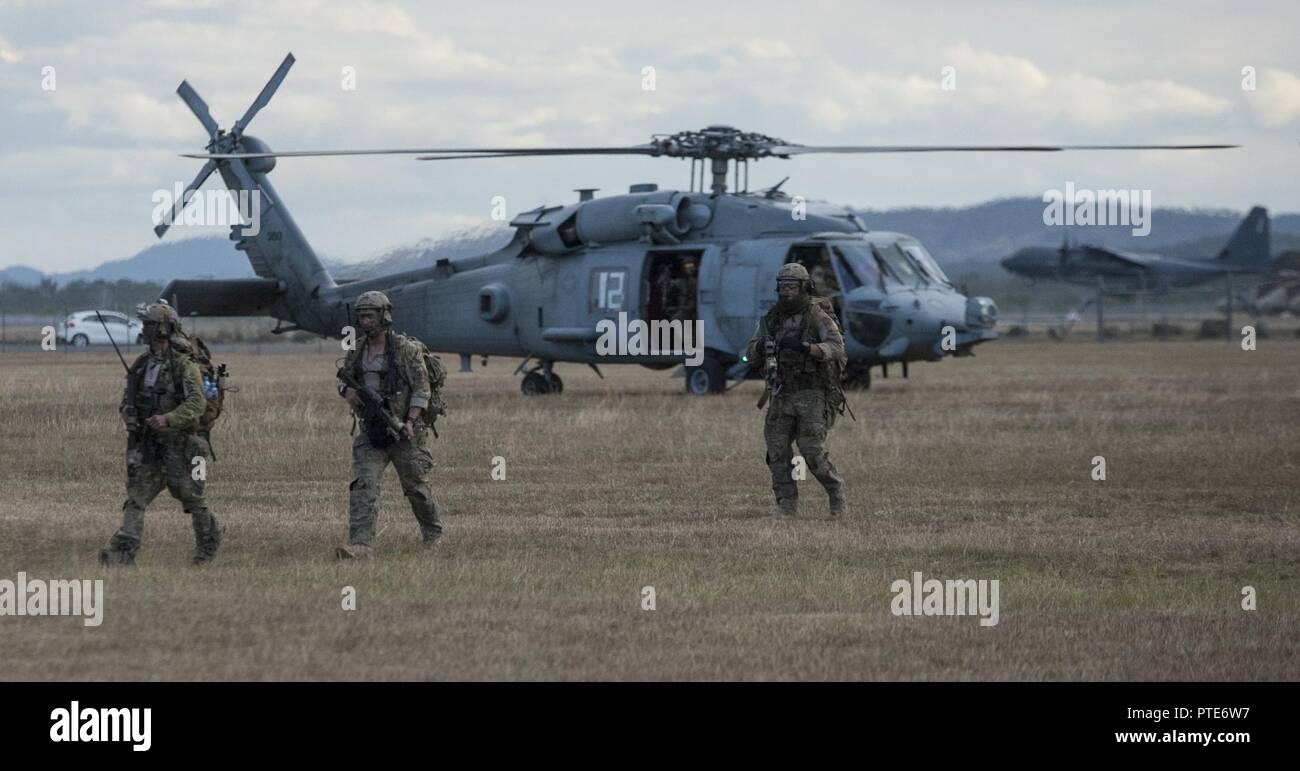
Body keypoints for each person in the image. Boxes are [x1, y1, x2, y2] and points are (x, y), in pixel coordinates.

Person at [99, 300, 222, 566]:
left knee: (192, 498)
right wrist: (127, 413)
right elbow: (127, 400)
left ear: (164, 328)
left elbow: (196, 404)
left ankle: (207, 547)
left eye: (149, 324)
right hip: (150, 445)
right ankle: (122, 553)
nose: (144, 329)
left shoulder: (184, 366)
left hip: (182, 445)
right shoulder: (142, 365)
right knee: (136, 497)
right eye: (145, 324)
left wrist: (168, 419)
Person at [336, 291, 442, 559]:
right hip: (372, 432)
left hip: (405, 433)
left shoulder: (406, 350)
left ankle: (433, 534)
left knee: (416, 487)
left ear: (384, 316)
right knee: (364, 485)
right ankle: (361, 546)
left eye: (370, 315)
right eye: (361, 316)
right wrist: (347, 393)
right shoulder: (357, 349)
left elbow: (421, 389)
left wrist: (409, 421)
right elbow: (345, 381)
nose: (365, 321)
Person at [745, 263, 848, 517]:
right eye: (782, 286)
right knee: (777, 452)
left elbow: (837, 348)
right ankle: (786, 505)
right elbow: (748, 354)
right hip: (781, 393)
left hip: (812, 393)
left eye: (792, 286)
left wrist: (806, 348)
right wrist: (761, 349)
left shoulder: (817, 316)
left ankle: (836, 494)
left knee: (811, 451)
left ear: (804, 287)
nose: (787, 291)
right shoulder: (771, 319)